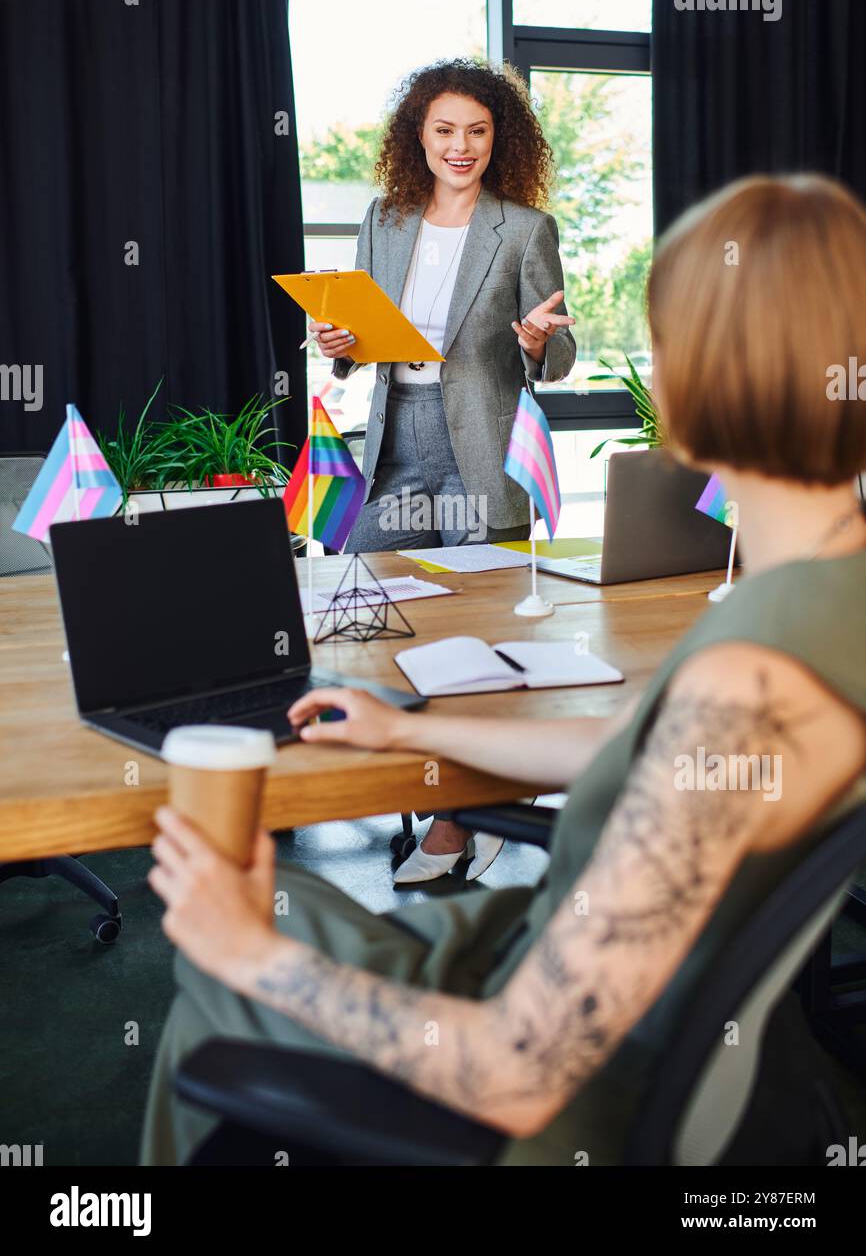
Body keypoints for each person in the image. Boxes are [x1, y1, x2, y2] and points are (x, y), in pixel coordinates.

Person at [143, 173, 866, 1167]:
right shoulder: (825, 598)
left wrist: (245, 950)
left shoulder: (752, 677)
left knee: (220, 966)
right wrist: (409, 728)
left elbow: (520, 1070)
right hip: (595, 979)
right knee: (279, 910)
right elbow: (643, 743)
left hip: (560, 1082)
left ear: (703, 382)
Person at [309, 57, 576, 555]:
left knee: (485, 603)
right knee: (365, 584)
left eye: (477, 131)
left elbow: (558, 351)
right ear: (421, 136)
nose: (461, 146)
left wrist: (540, 344)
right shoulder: (383, 219)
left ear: (498, 138)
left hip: (483, 453)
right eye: (445, 130)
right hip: (394, 446)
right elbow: (359, 328)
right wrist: (337, 343)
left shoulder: (525, 229)